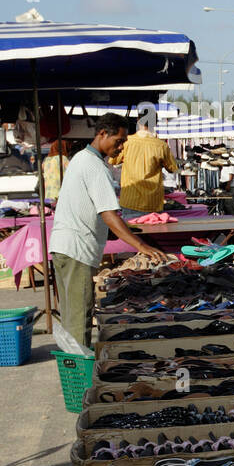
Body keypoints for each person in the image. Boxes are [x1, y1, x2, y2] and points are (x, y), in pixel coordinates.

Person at [51, 114, 167, 349]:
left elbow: (93, 210)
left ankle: (74, 370)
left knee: (72, 316)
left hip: (64, 248)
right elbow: (108, 214)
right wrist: (141, 247)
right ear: (102, 134)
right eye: (119, 140)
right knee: (78, 320)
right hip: (77, 250)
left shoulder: (80, 159)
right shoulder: (94, 166)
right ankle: (79, 380)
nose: (121, 146)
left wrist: (119, 232)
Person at [112, 117, 177, 219]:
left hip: (130, 200)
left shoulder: (126, 142)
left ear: (138, 120)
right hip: (153, 202)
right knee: (153, 234)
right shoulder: (161, 145)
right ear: (155, 123)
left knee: (131, 233)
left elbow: (113, 160)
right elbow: (172, 168)